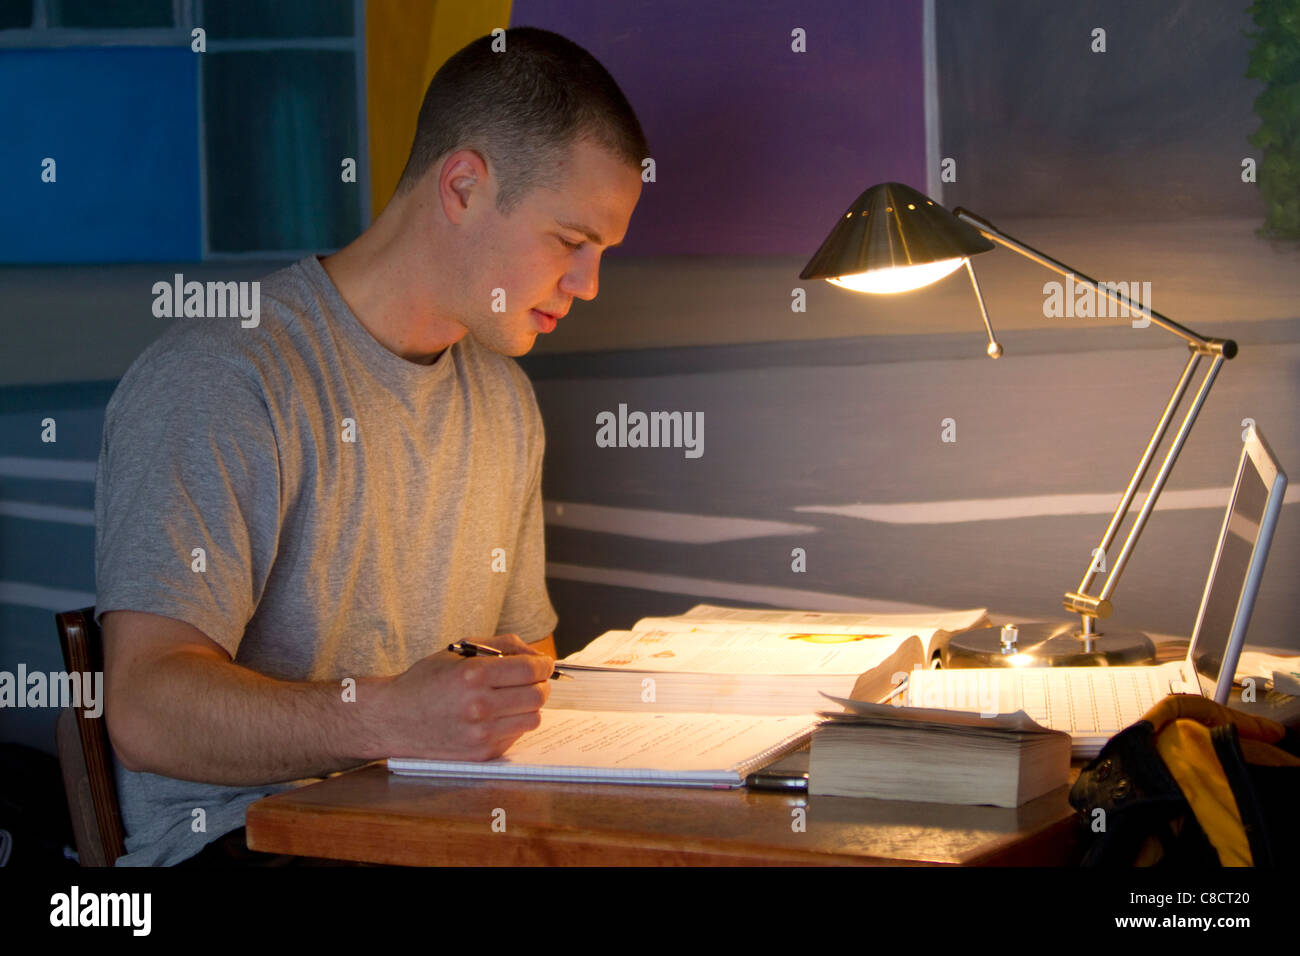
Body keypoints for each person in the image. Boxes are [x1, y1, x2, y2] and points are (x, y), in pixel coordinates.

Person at [94, 26, 646, 866]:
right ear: (462, 187)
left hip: (431, 830)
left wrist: (502, 687)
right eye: (572, 242)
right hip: (243, 842)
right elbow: (143, 708)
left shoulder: (501, 397)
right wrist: (388, 717)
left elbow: (526, 648)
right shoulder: (223, 376)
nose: (589, 285)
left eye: (601, 253)